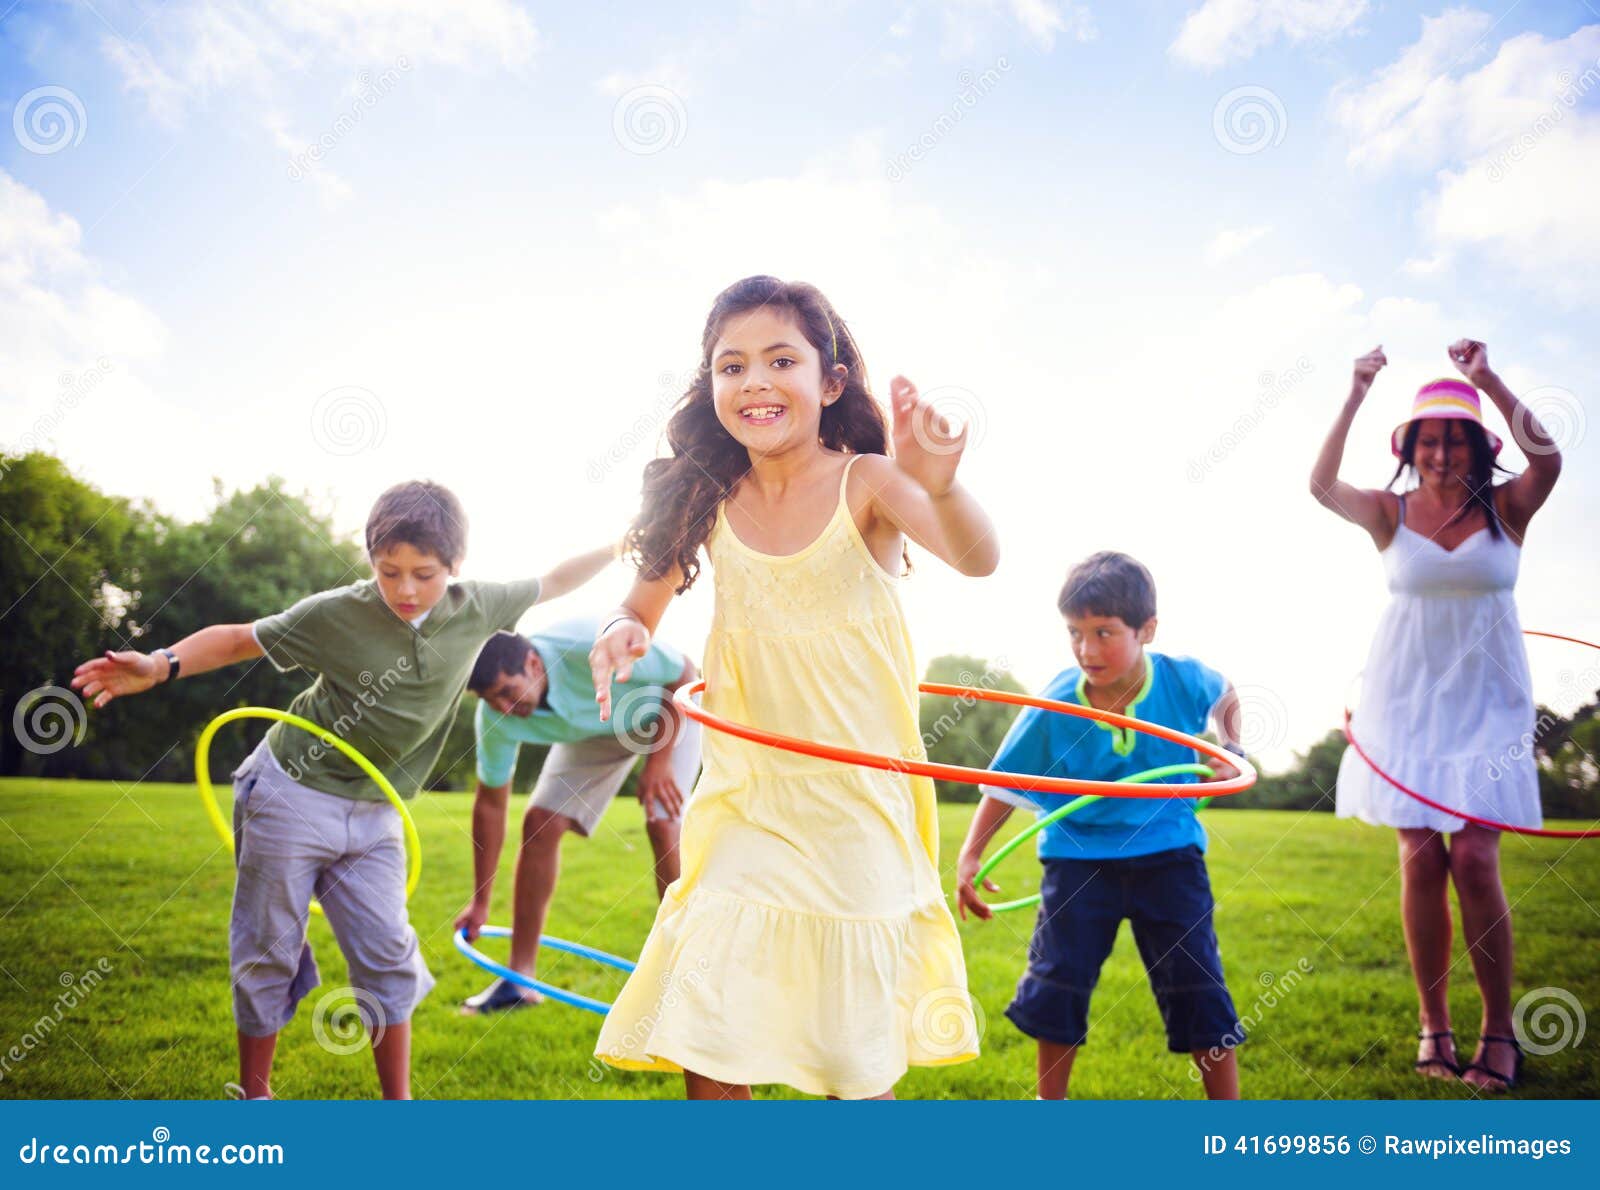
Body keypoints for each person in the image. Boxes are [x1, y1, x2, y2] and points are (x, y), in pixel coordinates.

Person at [587, 275, 998, 1099]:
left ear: (830, 381)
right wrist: (620, 629)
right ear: (712, 387)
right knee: (710, 1013)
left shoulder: (871, 483)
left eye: (782, 360)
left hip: (857, 808)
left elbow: (976, 557)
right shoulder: (705, 497)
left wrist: (944, 485)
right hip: (747, 799)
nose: (756, 382)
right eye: (731, 366)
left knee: (853, 1058)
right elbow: (639, 602)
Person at [71, 480, 612, 1099]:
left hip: (378, 810)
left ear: (455, 567)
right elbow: (240, 638)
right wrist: (160, 664)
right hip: (291, 792)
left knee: (388, 952)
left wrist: (628, 542)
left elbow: (557, 580)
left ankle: (398, 1108)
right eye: (390, 572)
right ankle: (255, 1098)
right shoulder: (337, 613)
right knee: (269, 947)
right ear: (371, 562)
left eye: (424, 574)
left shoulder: (480, 606)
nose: (406, 590)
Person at [1310, 340, 1563, 1091]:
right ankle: (1434, 1025)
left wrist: (1489, 377)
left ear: (1479, 447)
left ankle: (1498, 1030)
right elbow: (1320, 485)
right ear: (1410, 446)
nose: (1441, 449)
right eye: (1429, 436)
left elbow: (1548, 461)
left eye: (1455, 436)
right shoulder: (1389, 512)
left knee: (1477, 861)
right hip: (1406, 699)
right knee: (1421, 860)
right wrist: (1355, 392)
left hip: (1487, 702)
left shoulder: (1508, 508)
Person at [956, 551, 1248, 1100]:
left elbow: (1226, 694)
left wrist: (1231, 748)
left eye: (1105, 632)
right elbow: (1005, 782)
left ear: (1147, 630)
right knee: (1056, 986)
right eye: (1075, 632)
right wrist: (972, 854)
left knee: (1198, 986)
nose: (1087, 650)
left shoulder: (1183, 679)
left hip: (1168, 854)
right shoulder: (1054, 703)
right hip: (1077, 859)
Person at [454, 619, 701, 1014]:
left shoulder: (586, 646)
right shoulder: (498, 719)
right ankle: (520, 981)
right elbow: (490, 805)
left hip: (666, 709)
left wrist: (659, 763)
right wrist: (480, 901)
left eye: (507, 693)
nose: (503, 709)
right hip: (602, 727)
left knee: (661, 820)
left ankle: (690, 977)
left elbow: (683, 671)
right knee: (539, 823)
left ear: (534, 664)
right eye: (491, 700)